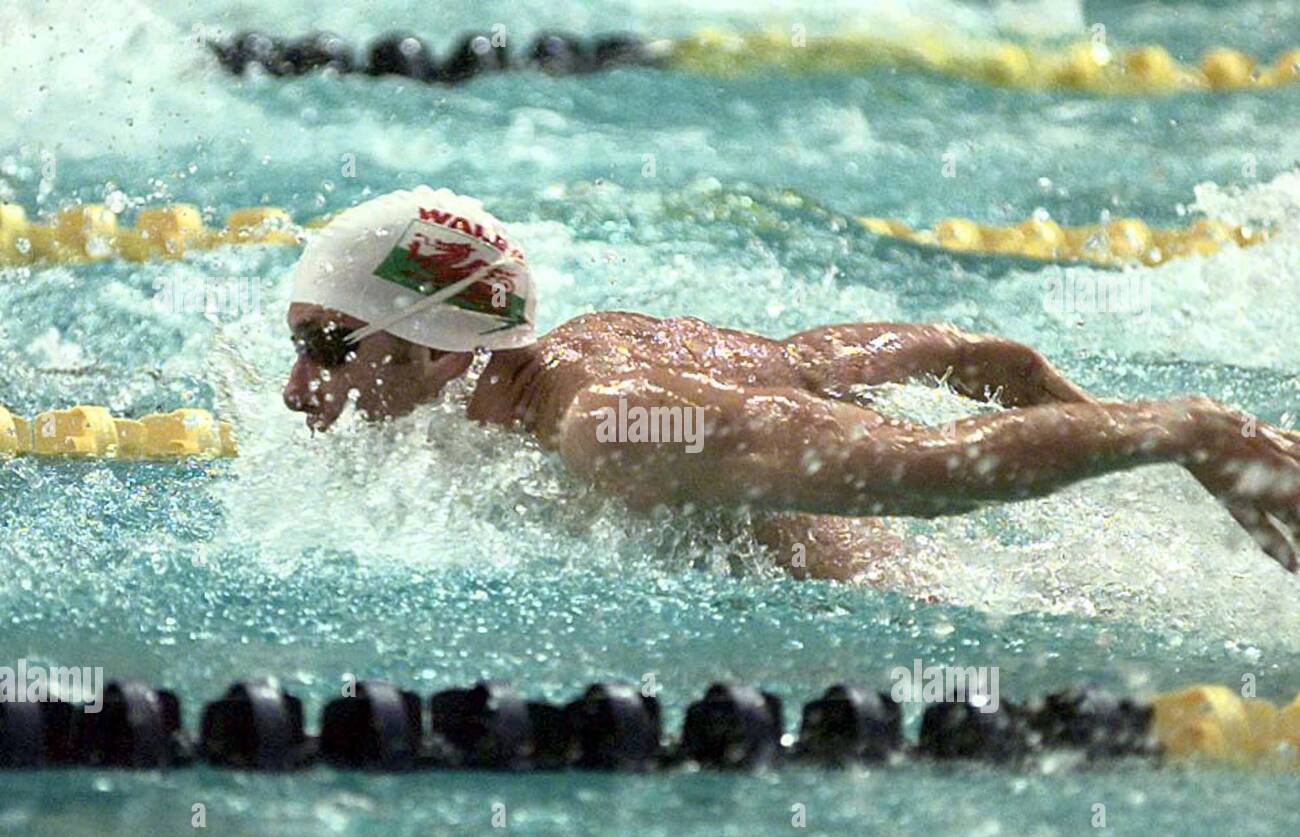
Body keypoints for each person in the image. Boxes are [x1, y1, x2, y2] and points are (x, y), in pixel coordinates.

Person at [283, 186, 1300, 580]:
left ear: (442, 347)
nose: (296, 387)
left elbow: (930, 470)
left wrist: (1187, 431)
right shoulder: (598, 344)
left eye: (332, 344)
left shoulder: (612, 424)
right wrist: (993, 364)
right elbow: (812, 360)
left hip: (938, 604)